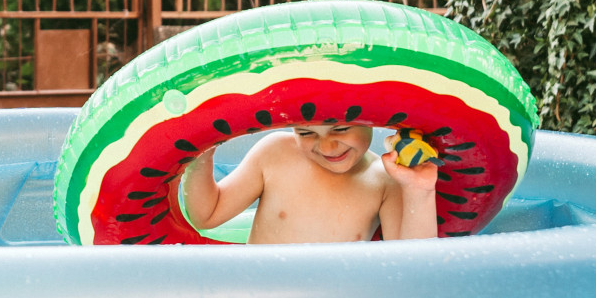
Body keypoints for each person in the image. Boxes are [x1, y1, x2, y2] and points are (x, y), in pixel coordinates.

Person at [179, 119, 440, 244]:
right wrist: (202, 152)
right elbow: (207, 215)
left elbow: (408, 266)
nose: (327, 145)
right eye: (306, 132)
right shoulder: (274, 153)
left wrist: (419, 190)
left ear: (370, 118)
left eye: (340, 129)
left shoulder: (383, 179)